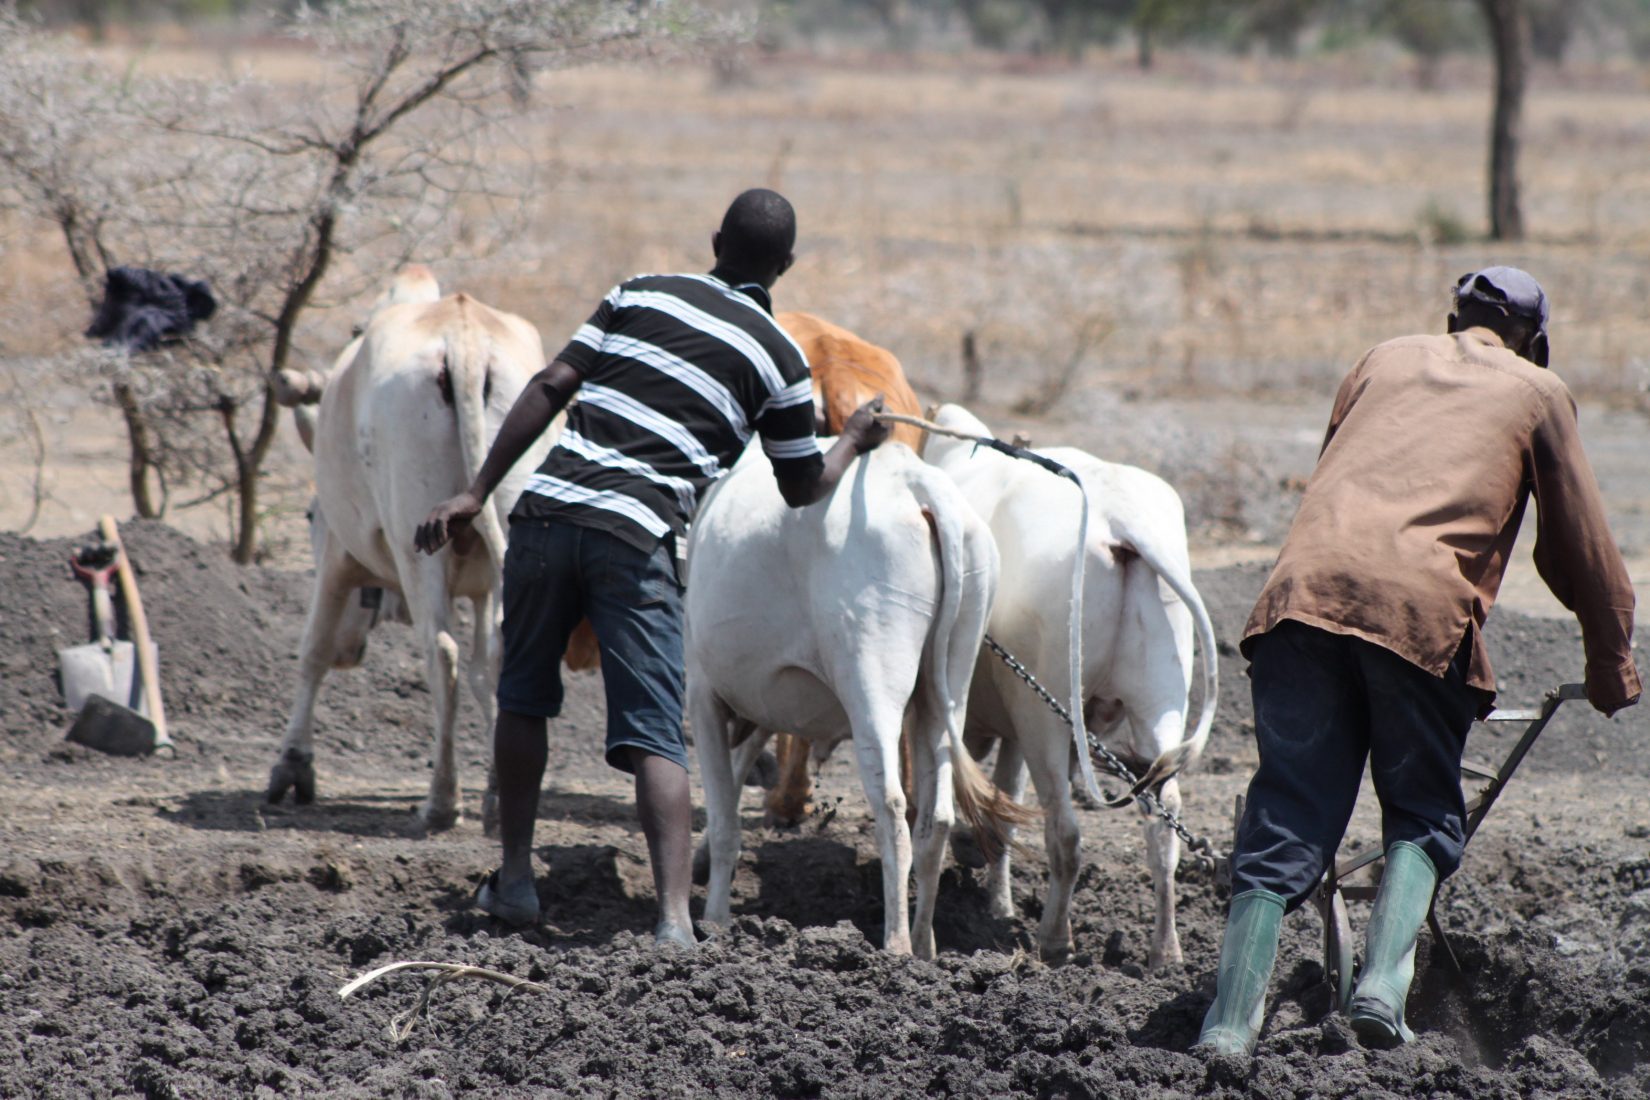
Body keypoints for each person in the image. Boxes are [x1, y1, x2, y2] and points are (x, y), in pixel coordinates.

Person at [414, 188, 889, 947]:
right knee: (656, 735)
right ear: (786, 267)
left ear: (713, 240)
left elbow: (548, 386)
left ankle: (515, 883)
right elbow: (802, 489)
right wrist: (854, 440)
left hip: (545, 514)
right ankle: (673, 921)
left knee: (524, 701)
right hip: (635, 541)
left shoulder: (638, 292)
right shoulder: (778, 358)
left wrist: (475, 492)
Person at [1196, 267, 1640, 1054]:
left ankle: (1228, 1026)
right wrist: (1611, 664)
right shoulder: (1538, 392)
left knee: (1287, 813)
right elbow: (1579, 546)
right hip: (1418, 613)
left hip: (1301, 600)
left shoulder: (1380, 359)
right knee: (1424, 810)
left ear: (1450, 321)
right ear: (1534, 343)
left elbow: (1338, 476)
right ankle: (1380, 992)